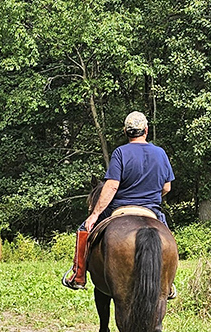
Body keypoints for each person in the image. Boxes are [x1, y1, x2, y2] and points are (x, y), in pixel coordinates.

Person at [62, 111, 174, 290]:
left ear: (126, 132)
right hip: (151, 209)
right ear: (146, 130)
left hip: (121, 208)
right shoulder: (160, 153)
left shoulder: (121, 153)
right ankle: (168, 282)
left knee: (84, 229)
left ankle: (78, 275)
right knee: (168, 239)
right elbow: (166, 187)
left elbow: (112, 186)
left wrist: (94, 215)